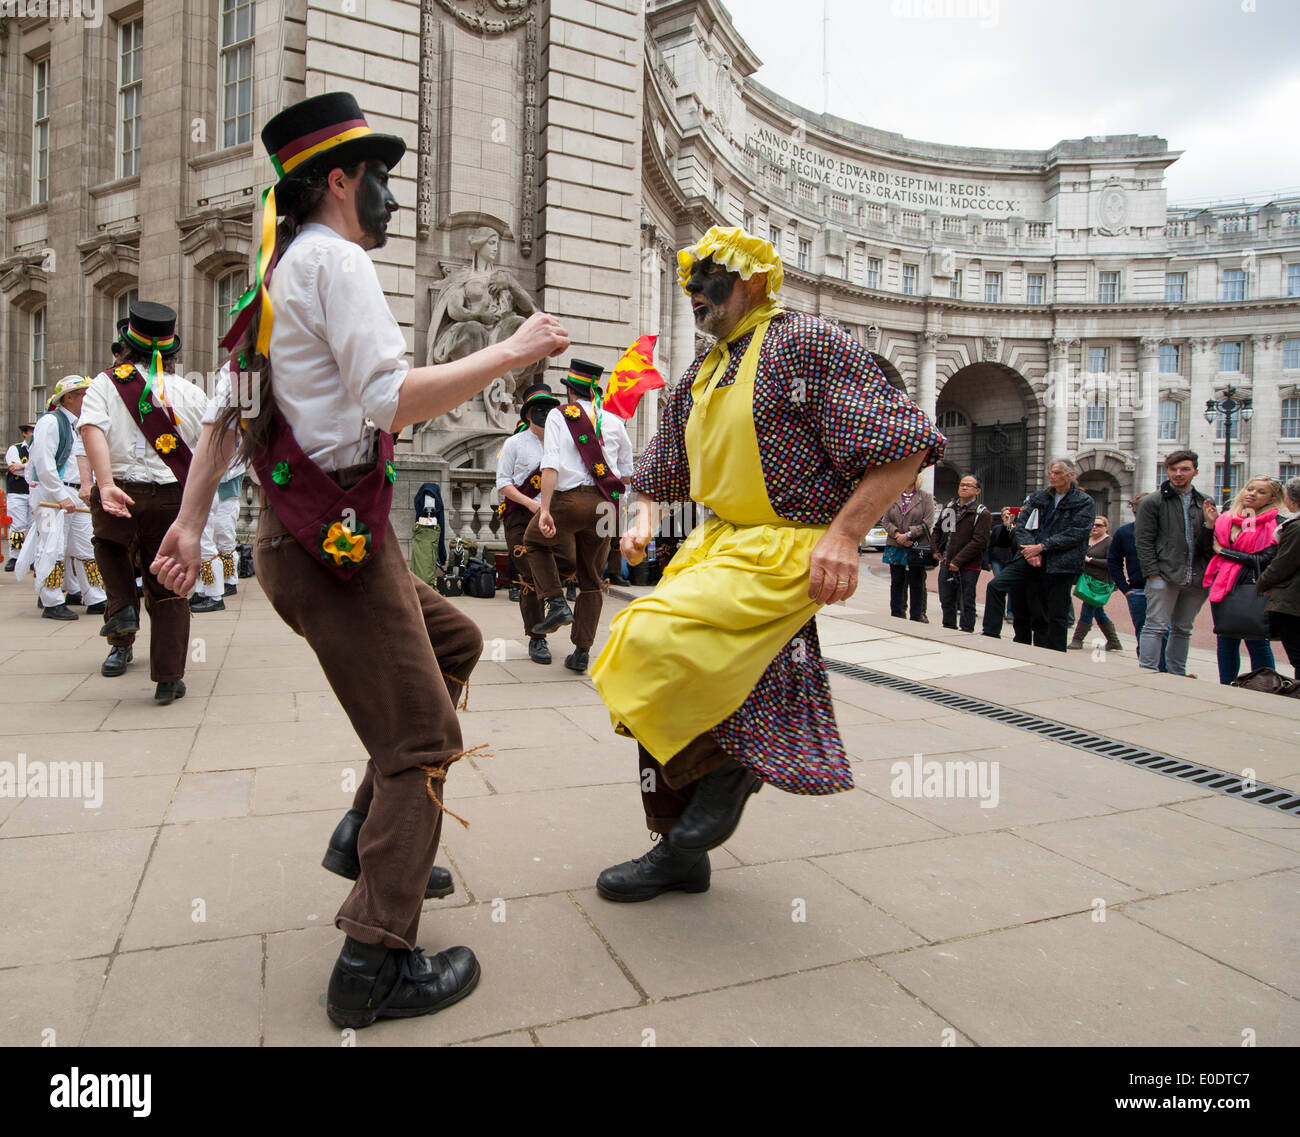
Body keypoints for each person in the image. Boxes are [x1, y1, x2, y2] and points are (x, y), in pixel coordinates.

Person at [150, 92, 569, 1029]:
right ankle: (373, 961)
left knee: (455, 639)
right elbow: (387, 401)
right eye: (379, 179)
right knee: (424, 740)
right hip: (332, 549)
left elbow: (228, 413)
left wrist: (186, 523)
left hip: (313, 541)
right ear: (338, 183)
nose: (388, 197)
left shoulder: (278, 272)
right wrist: (513, 349)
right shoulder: (334, 261)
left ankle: (365, 830)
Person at [589, 224, 943, 903]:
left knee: (649, 642)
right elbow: (664, 470)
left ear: (750, 280)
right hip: (719, 545)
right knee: (647, 678)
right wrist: (640, 521)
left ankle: (729, 772)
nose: (691, 292)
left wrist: (843, 536)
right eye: (688, 281)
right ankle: (678, 847)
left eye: (705, 280)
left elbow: (907, 442)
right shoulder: (702, 370)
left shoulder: (804, 342)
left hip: (785, 545)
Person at [79, 303, 208, 697]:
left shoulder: (104, 384)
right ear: (171, 351)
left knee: (109, 546)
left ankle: (122, 610)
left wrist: (104, 484)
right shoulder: (191, 392)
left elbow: (92, 431)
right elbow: (211, 454)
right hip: (172, 499)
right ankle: (168, 678)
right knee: (169, 583)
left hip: (119, 489)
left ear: (126, 342)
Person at [525, 359, 633, 674]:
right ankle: (581, 652)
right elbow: (626, 474)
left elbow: (551, 464)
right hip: (604, 506)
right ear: (594, 389)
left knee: (534, 541)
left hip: (569, 501)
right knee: (592, 580)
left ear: (571, 391)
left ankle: (556, 602)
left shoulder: (560, 416)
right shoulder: (613, 421)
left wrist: (544, 509)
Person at [494, 381, 576, 664]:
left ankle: (554, 601)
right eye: (537, 409)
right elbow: (502, 482)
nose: (544, 413)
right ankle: (537, 637)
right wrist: (531, 504)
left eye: (548, 408)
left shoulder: (564, 443)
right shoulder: (514, 444)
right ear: (527, 415)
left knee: (568, 560)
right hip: (521, 514)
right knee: (528, 575)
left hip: (555, 514)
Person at [981, 458, 1094, 651]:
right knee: (996, 586)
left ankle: (1055, 653)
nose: (1052, 476)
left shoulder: (1083, 501)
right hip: (1029, 556)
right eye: (1050, 472)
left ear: (1070, 475)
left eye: (1057, 473)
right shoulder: (1039, 497)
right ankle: (990, 634)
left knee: (1056, 612)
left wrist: (1043, 547)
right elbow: (1022, 526)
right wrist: (1031, 549)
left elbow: (1077, 532)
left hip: (1060, 563)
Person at [18, 378, 106, 620]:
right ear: (68, 397)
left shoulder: (81, 425)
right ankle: (52, 600)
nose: (88, 398)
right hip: (53, 494)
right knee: (52, 546)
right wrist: (59, 494)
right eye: (83, 394)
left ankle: (95, 596)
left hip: (78, 492)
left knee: (86, 545)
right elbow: (43, 464)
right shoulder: (50, 422)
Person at [1134, 450, 1217, 676]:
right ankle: (1147, 673)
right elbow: (1143, 540)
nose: (1178, 474)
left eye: (1184, 469)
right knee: (1155, 626)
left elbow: (1208, 546)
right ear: (1167, 470)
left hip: (1197, 575)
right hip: (1164, 574)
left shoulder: (1204, 501)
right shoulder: (1153, 501)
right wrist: (1153, 573)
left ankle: (1177, 675)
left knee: (1183, 628)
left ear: (1195, 471)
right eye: (1173, 469)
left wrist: (1210, 525)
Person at [1202, 475, 1283, 685]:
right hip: (1222, 586)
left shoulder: (1276, 524)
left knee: (1256, 639)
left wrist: (1225, 552)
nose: (1252, 494)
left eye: (1261, 491)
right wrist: (1209, 526)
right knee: (1226, 638)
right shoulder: (1227, 519)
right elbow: (1208, 551)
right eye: (1250, 489)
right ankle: (1227, 685)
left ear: (1272, 498)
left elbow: (1264, 559)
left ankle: (1267, 685)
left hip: (1252, 586)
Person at [1108, 494, 1168, 670]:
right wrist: (1125, 588)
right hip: (1138, 591)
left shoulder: (1165, 532)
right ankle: (1147, 669)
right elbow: (1114, 560)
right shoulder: (1125, 532)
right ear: (1133, 508)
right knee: (1144, 632)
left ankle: (1165, 670)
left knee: (1166, 632)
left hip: (1165, 590)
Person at [935, 473, 990, 632]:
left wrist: (958, 561)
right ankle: (948, 627)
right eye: (962, 484)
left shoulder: (981, 513)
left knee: (967, 600)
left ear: (977, 491)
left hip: (968, 565)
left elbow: (979, 541)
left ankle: (966, 630)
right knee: (946, 598)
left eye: (969, 485)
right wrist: (936, 549)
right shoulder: (950, 508)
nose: (964, 487)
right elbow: (941, 531)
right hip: (947, 561)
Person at [1257, 476, 1300, 678]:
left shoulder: (1296, 528)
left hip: (1292, 601)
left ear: (1291, 501)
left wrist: (1261, 583)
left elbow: (1282, 564)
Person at [881, 473, 935, 622]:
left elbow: (928, 522)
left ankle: (917, 616)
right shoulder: (893, 495)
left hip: (916, 545)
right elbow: (885, 520)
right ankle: (897, 614)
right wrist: (897, 534)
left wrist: (909, 535)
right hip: (895, 544)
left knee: (917, 581)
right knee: (897, 581)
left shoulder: (925, 497)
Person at [1069, 516, 1123, 651]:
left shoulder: (1110, 542)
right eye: (1093, 525)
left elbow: (1113, 563)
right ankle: (1113, 641)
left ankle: (1077, 639)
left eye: (1099, 525)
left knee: (1088, 609)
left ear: (1106, 527)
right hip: (1086, 580)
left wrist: (1090, 560)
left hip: (1100, 583)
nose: (1094, 527)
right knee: (1098, 611)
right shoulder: (1088, 540)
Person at [5, 423, 34, 570]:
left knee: (34, 525)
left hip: (34, 492)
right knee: (17, 525)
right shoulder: (15, 449)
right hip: (17, 492)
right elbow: (14, 469)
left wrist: (23, 466)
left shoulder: (40, 449)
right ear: (24, 433)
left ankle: (32, 557)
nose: (34, 434)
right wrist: (30, 467)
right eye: (31, 431)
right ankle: (15, 557)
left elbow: (40, 468)